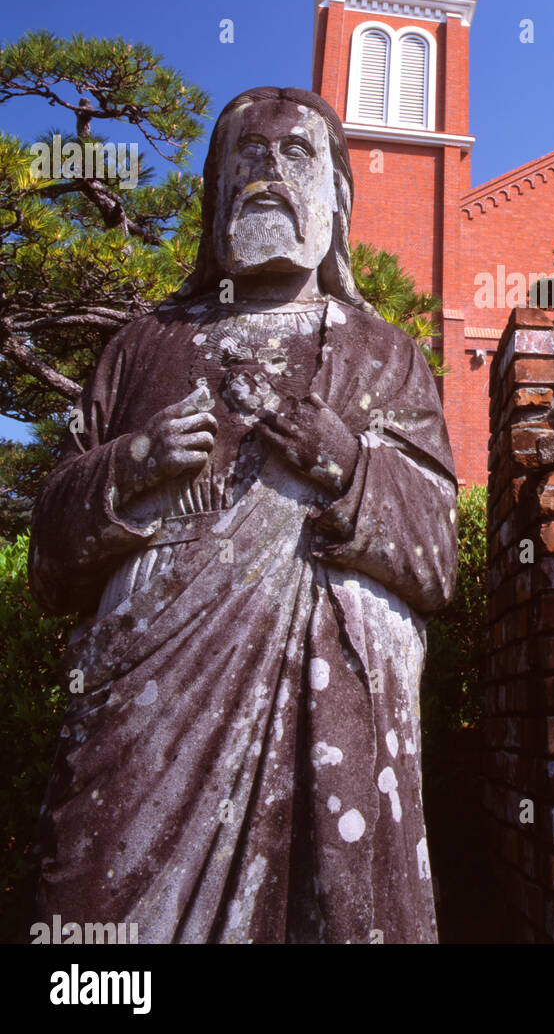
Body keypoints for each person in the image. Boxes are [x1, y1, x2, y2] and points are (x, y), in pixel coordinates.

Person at [29, 86, 457, 944]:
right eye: (245, 160)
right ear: (214, 197)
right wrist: (135, 463)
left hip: (328, 704)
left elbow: (437, 555)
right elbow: (49, 557)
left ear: (338, 197)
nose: (268, 172)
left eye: (296, 156)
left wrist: (349, 464)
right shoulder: (141, 346)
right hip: (144, 708)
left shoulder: (383, 352)